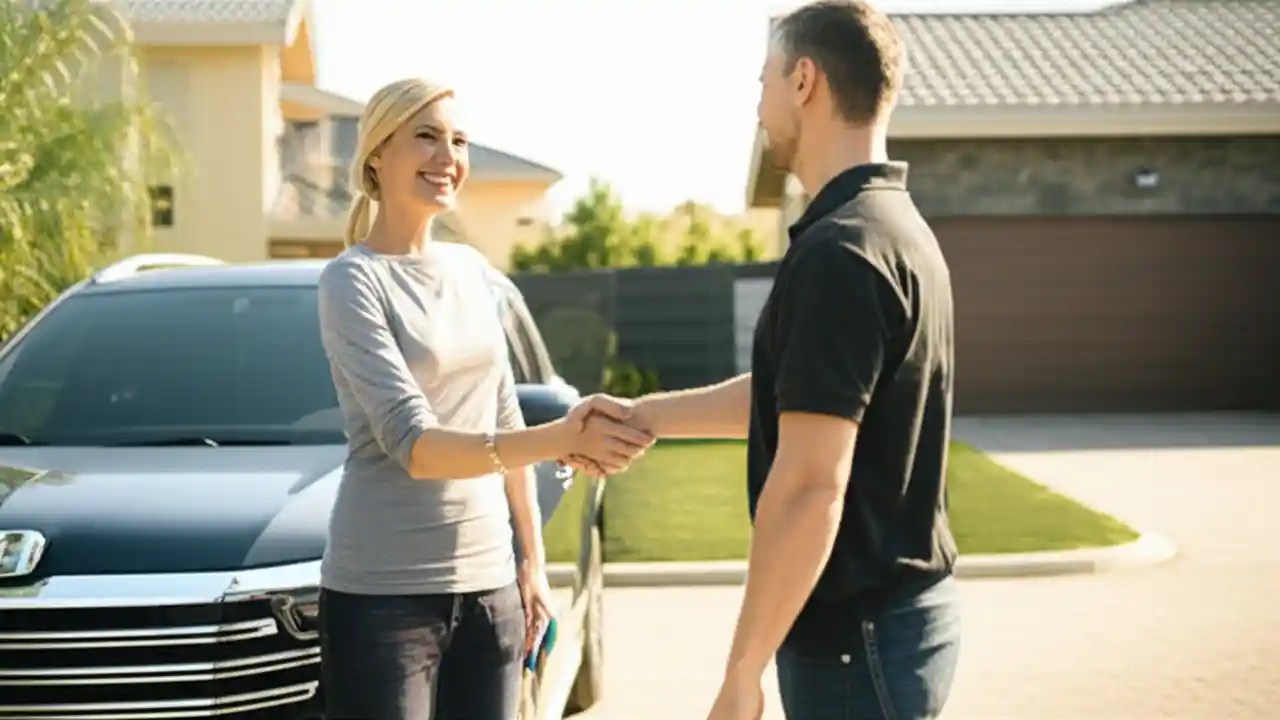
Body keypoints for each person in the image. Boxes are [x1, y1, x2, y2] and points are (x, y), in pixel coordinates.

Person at [570, 2, 961, 718]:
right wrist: (642, 417)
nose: (758, 106)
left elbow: (812, 485)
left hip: (855, 644)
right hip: (895, 629)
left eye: (763, 82)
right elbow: (800, 392)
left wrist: (742, 672)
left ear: (804, 80)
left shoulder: (840, 253)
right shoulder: (895, 229)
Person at [314, 77, 652, 720]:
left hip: (490, 590)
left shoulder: (471, 272)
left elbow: (501, 414)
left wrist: (531, 564)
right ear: (376, 156)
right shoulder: (351, 281)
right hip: (385, 603)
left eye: (458, 140)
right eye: (426, 136)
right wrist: (563, 438)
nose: (448, 157)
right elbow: (415, 446)